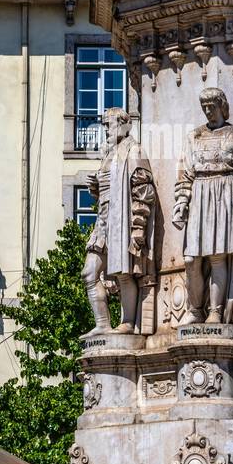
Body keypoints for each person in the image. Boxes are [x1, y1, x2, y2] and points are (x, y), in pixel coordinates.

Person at [173, 88, 233, 325]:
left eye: (212, 106)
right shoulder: (194, 136)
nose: (208, 111)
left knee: (218, 257)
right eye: (205, 107)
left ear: (222, 106)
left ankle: (215, 311)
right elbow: (185, 173)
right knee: (191, 258)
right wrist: (182, 201)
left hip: (225, 193)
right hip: (200, 192)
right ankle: (195, 309)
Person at [83, 108, 156, 334]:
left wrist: (138, 227)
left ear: (123, 124)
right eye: (104, 125)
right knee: (89, 273)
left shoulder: (133, 151)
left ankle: (127, 322)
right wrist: (95, 188)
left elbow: (143, 190)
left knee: (124, 272)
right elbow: (107, 191)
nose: (105, 129)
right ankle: (102, 324)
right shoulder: (109, 153)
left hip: (121, 219)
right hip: (103, 220)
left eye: (108, 124)